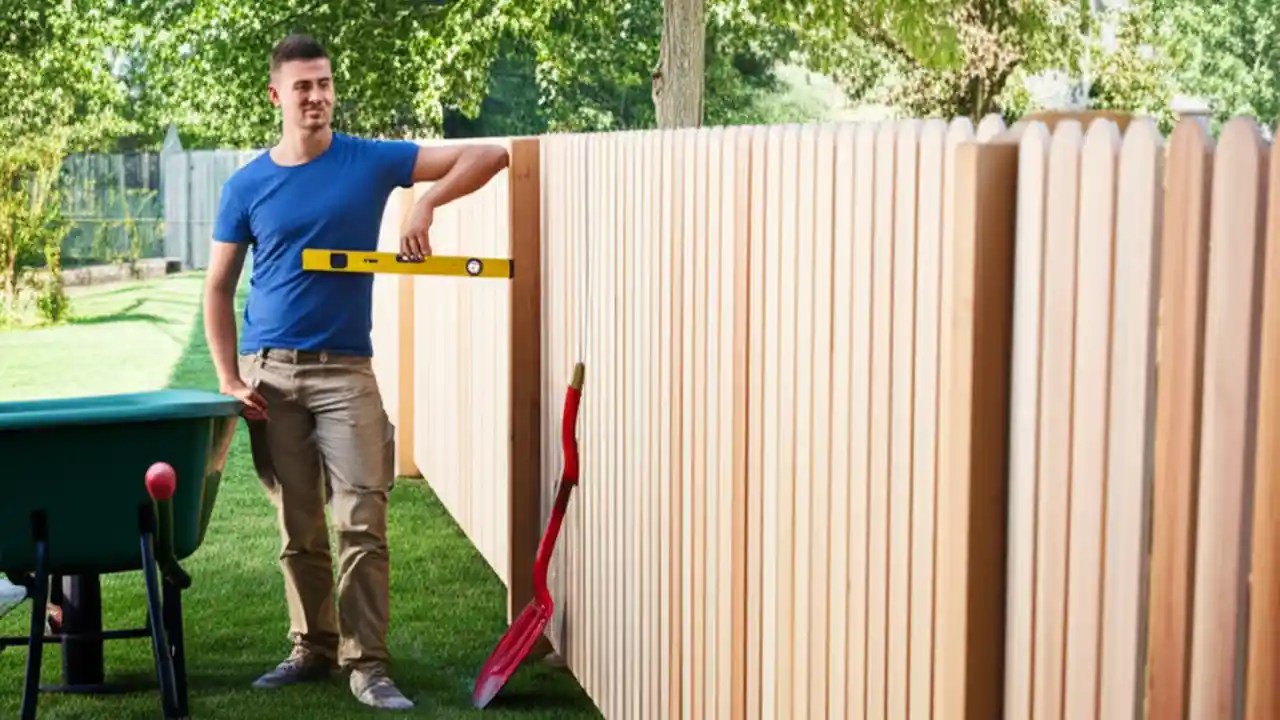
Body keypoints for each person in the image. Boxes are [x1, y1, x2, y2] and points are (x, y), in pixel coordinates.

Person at [202, 33, 509, 711]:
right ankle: (311, 647)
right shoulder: (247, 184)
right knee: (300, 526)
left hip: (347, 372)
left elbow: (491, 154)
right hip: (270, 375)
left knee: (363, 518)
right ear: (276, 95)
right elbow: (218, 287)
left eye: (325, 83)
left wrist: (423, 202)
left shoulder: (370, 161)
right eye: (303, 86)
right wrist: (229, 376)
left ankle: (367, 664)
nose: (317, 96)